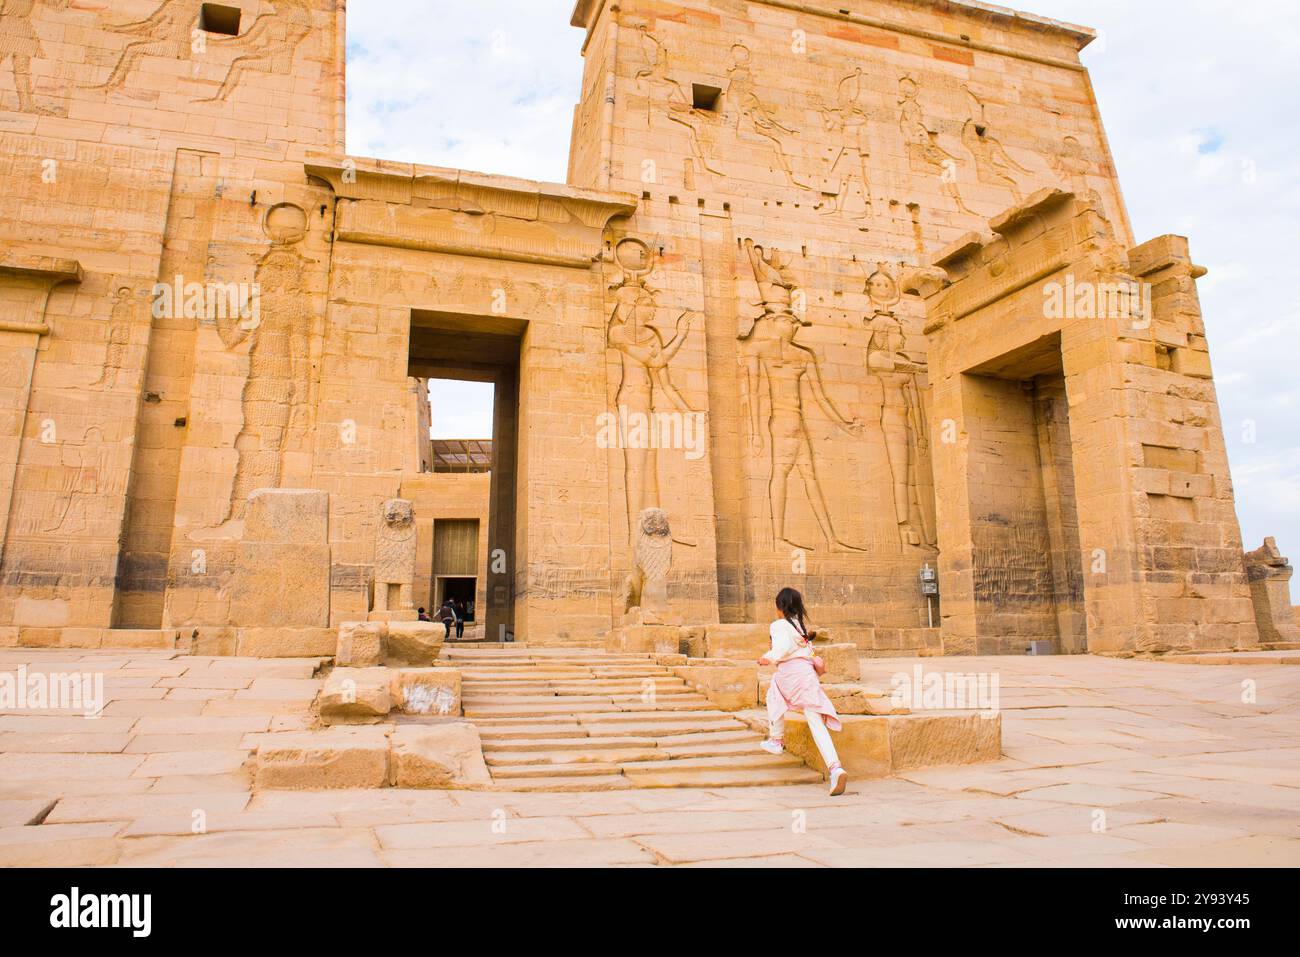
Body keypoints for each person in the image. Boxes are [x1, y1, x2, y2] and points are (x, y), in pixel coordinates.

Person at [758, 587, 847, 796]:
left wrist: (766, 658)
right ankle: (835, 768)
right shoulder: (799, 627)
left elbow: (782, 648)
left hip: (791, 676)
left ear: (780, 606)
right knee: (816, 723)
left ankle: (776, 740)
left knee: (773, 695)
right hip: (808, 678)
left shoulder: (779, 625)